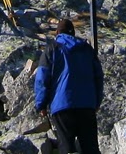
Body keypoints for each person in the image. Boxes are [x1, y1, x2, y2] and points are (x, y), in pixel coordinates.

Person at [35, 15, 104, 153]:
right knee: (90, 147)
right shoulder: (87, 49)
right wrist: (96, 102)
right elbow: (98, 76)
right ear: (73, 32)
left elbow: (42, 78)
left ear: (58, 33)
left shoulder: (52, 49)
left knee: (66, 146)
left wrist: (41, 104)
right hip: (86, 105)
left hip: (62, 106)